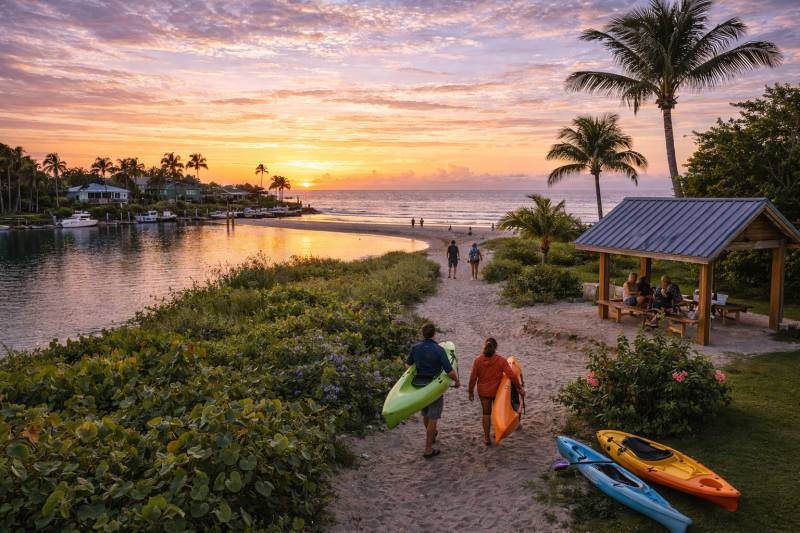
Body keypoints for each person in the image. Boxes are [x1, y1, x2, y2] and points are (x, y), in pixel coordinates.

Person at [405, 323, 460, 458]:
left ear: (422, 334)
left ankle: (432, 435)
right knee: (433, 418)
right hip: (434, 387)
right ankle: (428, 449)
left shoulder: (416, 348)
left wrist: (415, 372)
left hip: (420, 386)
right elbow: (449, 371)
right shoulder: (439, 350)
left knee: (425, 414)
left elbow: (407, 365)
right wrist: (457, 381)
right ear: (434, 334)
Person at [468, 338, 525, 446]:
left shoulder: (478, 360)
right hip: (497, 391)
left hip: (483, 391)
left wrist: (470, 391)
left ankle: (486, 438)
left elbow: (473, 378)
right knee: (497, 411)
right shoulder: (501, 360)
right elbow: (511, 375)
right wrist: (519, 387)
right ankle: (497, 432)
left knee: (486, 413)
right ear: (496, 347)